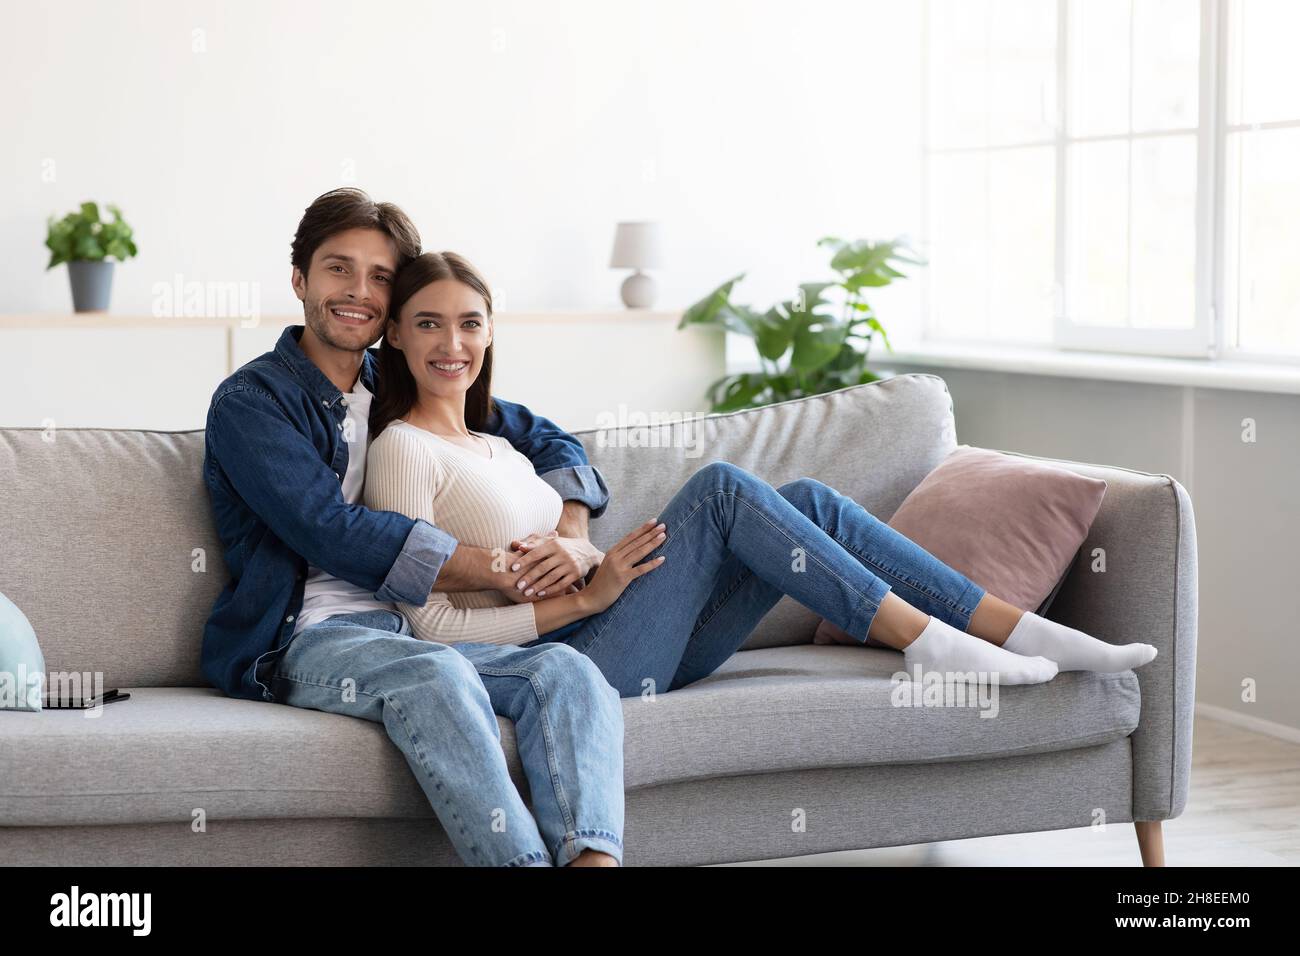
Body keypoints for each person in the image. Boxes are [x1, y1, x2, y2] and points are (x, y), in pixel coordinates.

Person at [365, 250, 1160, 706]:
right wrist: (581, 598)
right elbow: (423, 631)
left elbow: (565, 497)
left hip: (641, 638)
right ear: (395, 335)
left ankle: (1012, 628)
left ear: (491, 332)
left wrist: (576, 547)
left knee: (810, 502)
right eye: (428, 322)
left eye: (469, 322)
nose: (451, 343)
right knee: (720, 489)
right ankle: (928, 643)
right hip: (579, 662)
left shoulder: (503, 447)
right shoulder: (402, 448)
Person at [201, 188, 624, 867]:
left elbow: (551, 440)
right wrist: (498, 568)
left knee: (568, 672)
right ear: (300, 279)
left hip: (412, 628)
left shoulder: (399, 378)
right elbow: (328, 529)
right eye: (339, 268)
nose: (358, 291)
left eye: (380, 277)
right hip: (313, 640)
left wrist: (572, 536)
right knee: (435, 673)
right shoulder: (253, 402)